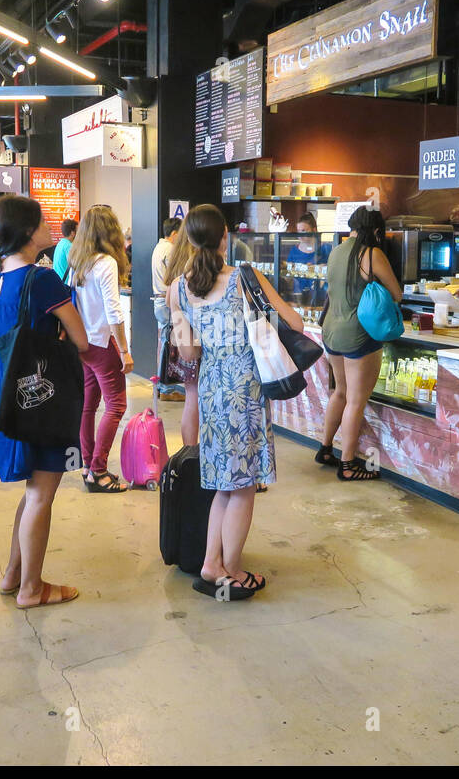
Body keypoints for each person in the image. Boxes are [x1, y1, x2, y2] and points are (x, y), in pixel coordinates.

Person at [168, 204, 302, 600]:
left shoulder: (177, 289)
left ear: (189, 240)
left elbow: (188, 353)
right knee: (242, 486)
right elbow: (293, 324)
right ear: (225, 237)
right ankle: (234, 569)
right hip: (245, 389)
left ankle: (212, 564)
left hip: (211, 387)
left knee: (224, 485)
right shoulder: (245, 278)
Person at [0, 194, 89, 608]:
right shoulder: (41, 280)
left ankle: (13, 574)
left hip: (10, 400)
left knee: (31, 493)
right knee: (42, 495)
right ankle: (31, 587)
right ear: (28, 232)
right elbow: (80, 339)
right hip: (42, 401)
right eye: (42, 221)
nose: (50, 226)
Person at [317, 206, 403, 481]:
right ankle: (348, 464)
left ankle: (326, 449)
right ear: (377, 231)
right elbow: (396, 294)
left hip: (331, 331)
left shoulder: (336, 251)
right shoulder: (372, 253)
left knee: (339, 393)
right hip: (358, 335)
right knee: (356, 400)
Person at [69, 205, 132, 493]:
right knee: (117, 405)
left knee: (88, 405)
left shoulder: (78, 261)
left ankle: (87, 465)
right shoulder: (106, 263)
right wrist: (125, 350)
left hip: (82, 342)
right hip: (102, 344)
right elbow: (114, 312)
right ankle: (98, 470)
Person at [162, 228, 200, 446]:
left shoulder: (176, 265)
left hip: (180, 337)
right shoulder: (200, 268)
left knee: (190, 397)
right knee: (196, 398)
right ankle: (197, 456)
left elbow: (169, 301)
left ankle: (189, 453)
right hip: (196, 339)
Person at [151, 216, 185, 402]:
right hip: (167, 302)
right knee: (168, 347)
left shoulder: (158, 248)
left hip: (159, 301)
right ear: (174, 234)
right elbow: (177, 277)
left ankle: (161, 386)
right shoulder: (170, 250)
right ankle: (166, 389)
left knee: (164, 344)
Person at [285, 213, 332, 306]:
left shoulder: (326, 249)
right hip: (298, 298)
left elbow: (333, 275)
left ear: (314, 230)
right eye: (298, 231)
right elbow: (288, 277)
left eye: (303, 231)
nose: (300, 235)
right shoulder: (294, 251)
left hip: (322, 299)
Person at [52, 218, 77, 285]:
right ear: (72, 233)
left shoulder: (60, 243)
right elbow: (77, 266)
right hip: (66, 285)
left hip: (59, 282)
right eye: (77, 231)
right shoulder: (69, 246)